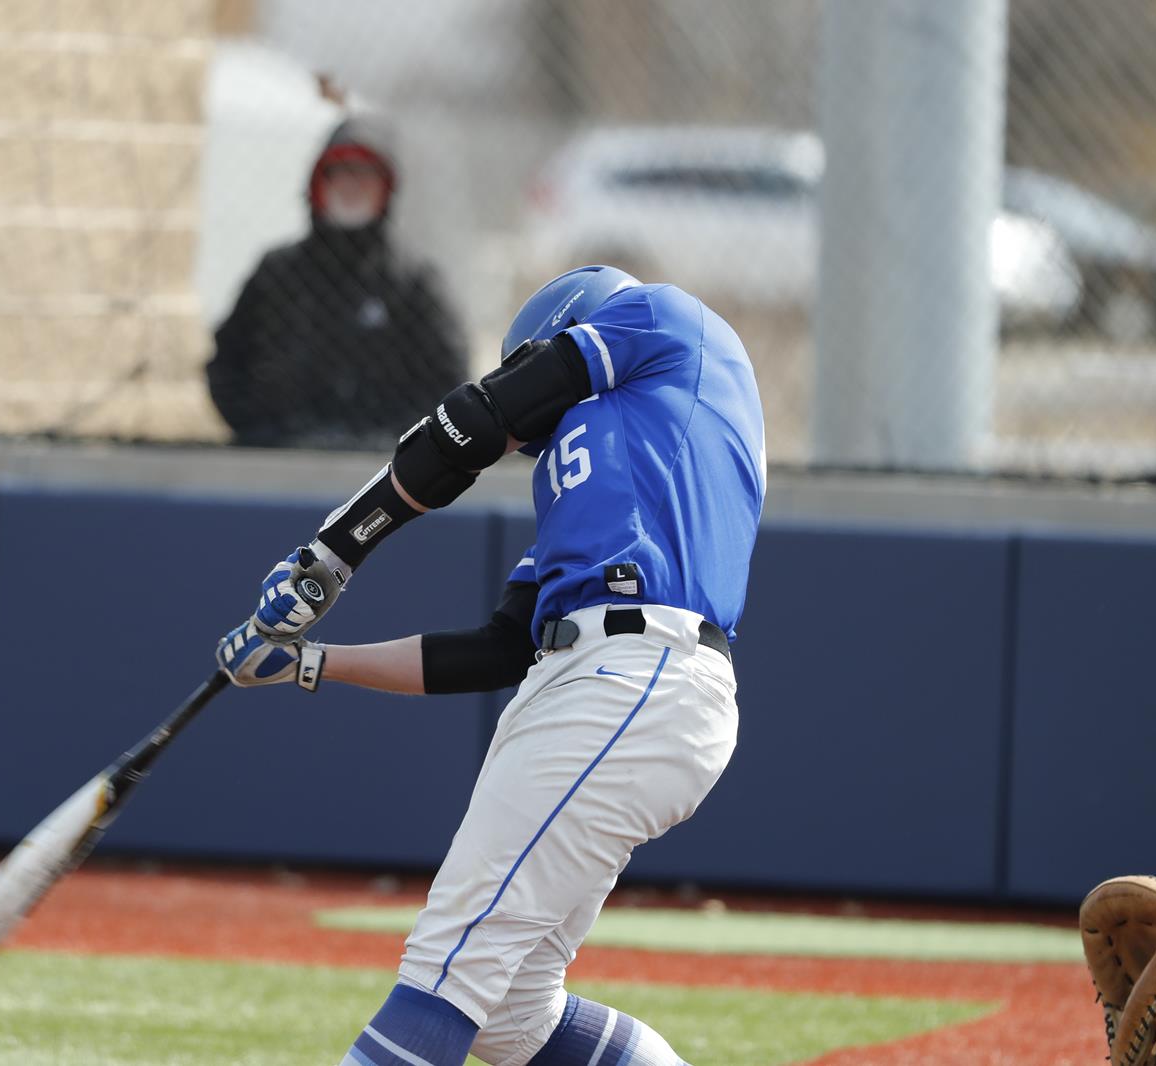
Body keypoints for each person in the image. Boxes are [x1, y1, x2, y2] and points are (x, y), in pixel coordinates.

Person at [216, 264, 766, 1065]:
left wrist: (331, 552)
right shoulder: (602, 486)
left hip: (637, 673)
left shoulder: (665, 318)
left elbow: (478, 420)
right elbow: (495, 650)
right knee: (512, 1014)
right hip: (595, 684)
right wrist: (309, 663)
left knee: (445, 971)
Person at [206, 115, 468, 450]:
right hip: (283, 455)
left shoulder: (413, 281)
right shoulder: (278, 274)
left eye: (365, 173)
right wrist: (260, 431)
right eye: (341, 171)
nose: (352, 184)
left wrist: (403, 443)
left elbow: (450, 379)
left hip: (387, 467)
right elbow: (226, 361)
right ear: (319, 184)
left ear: (386, 187)